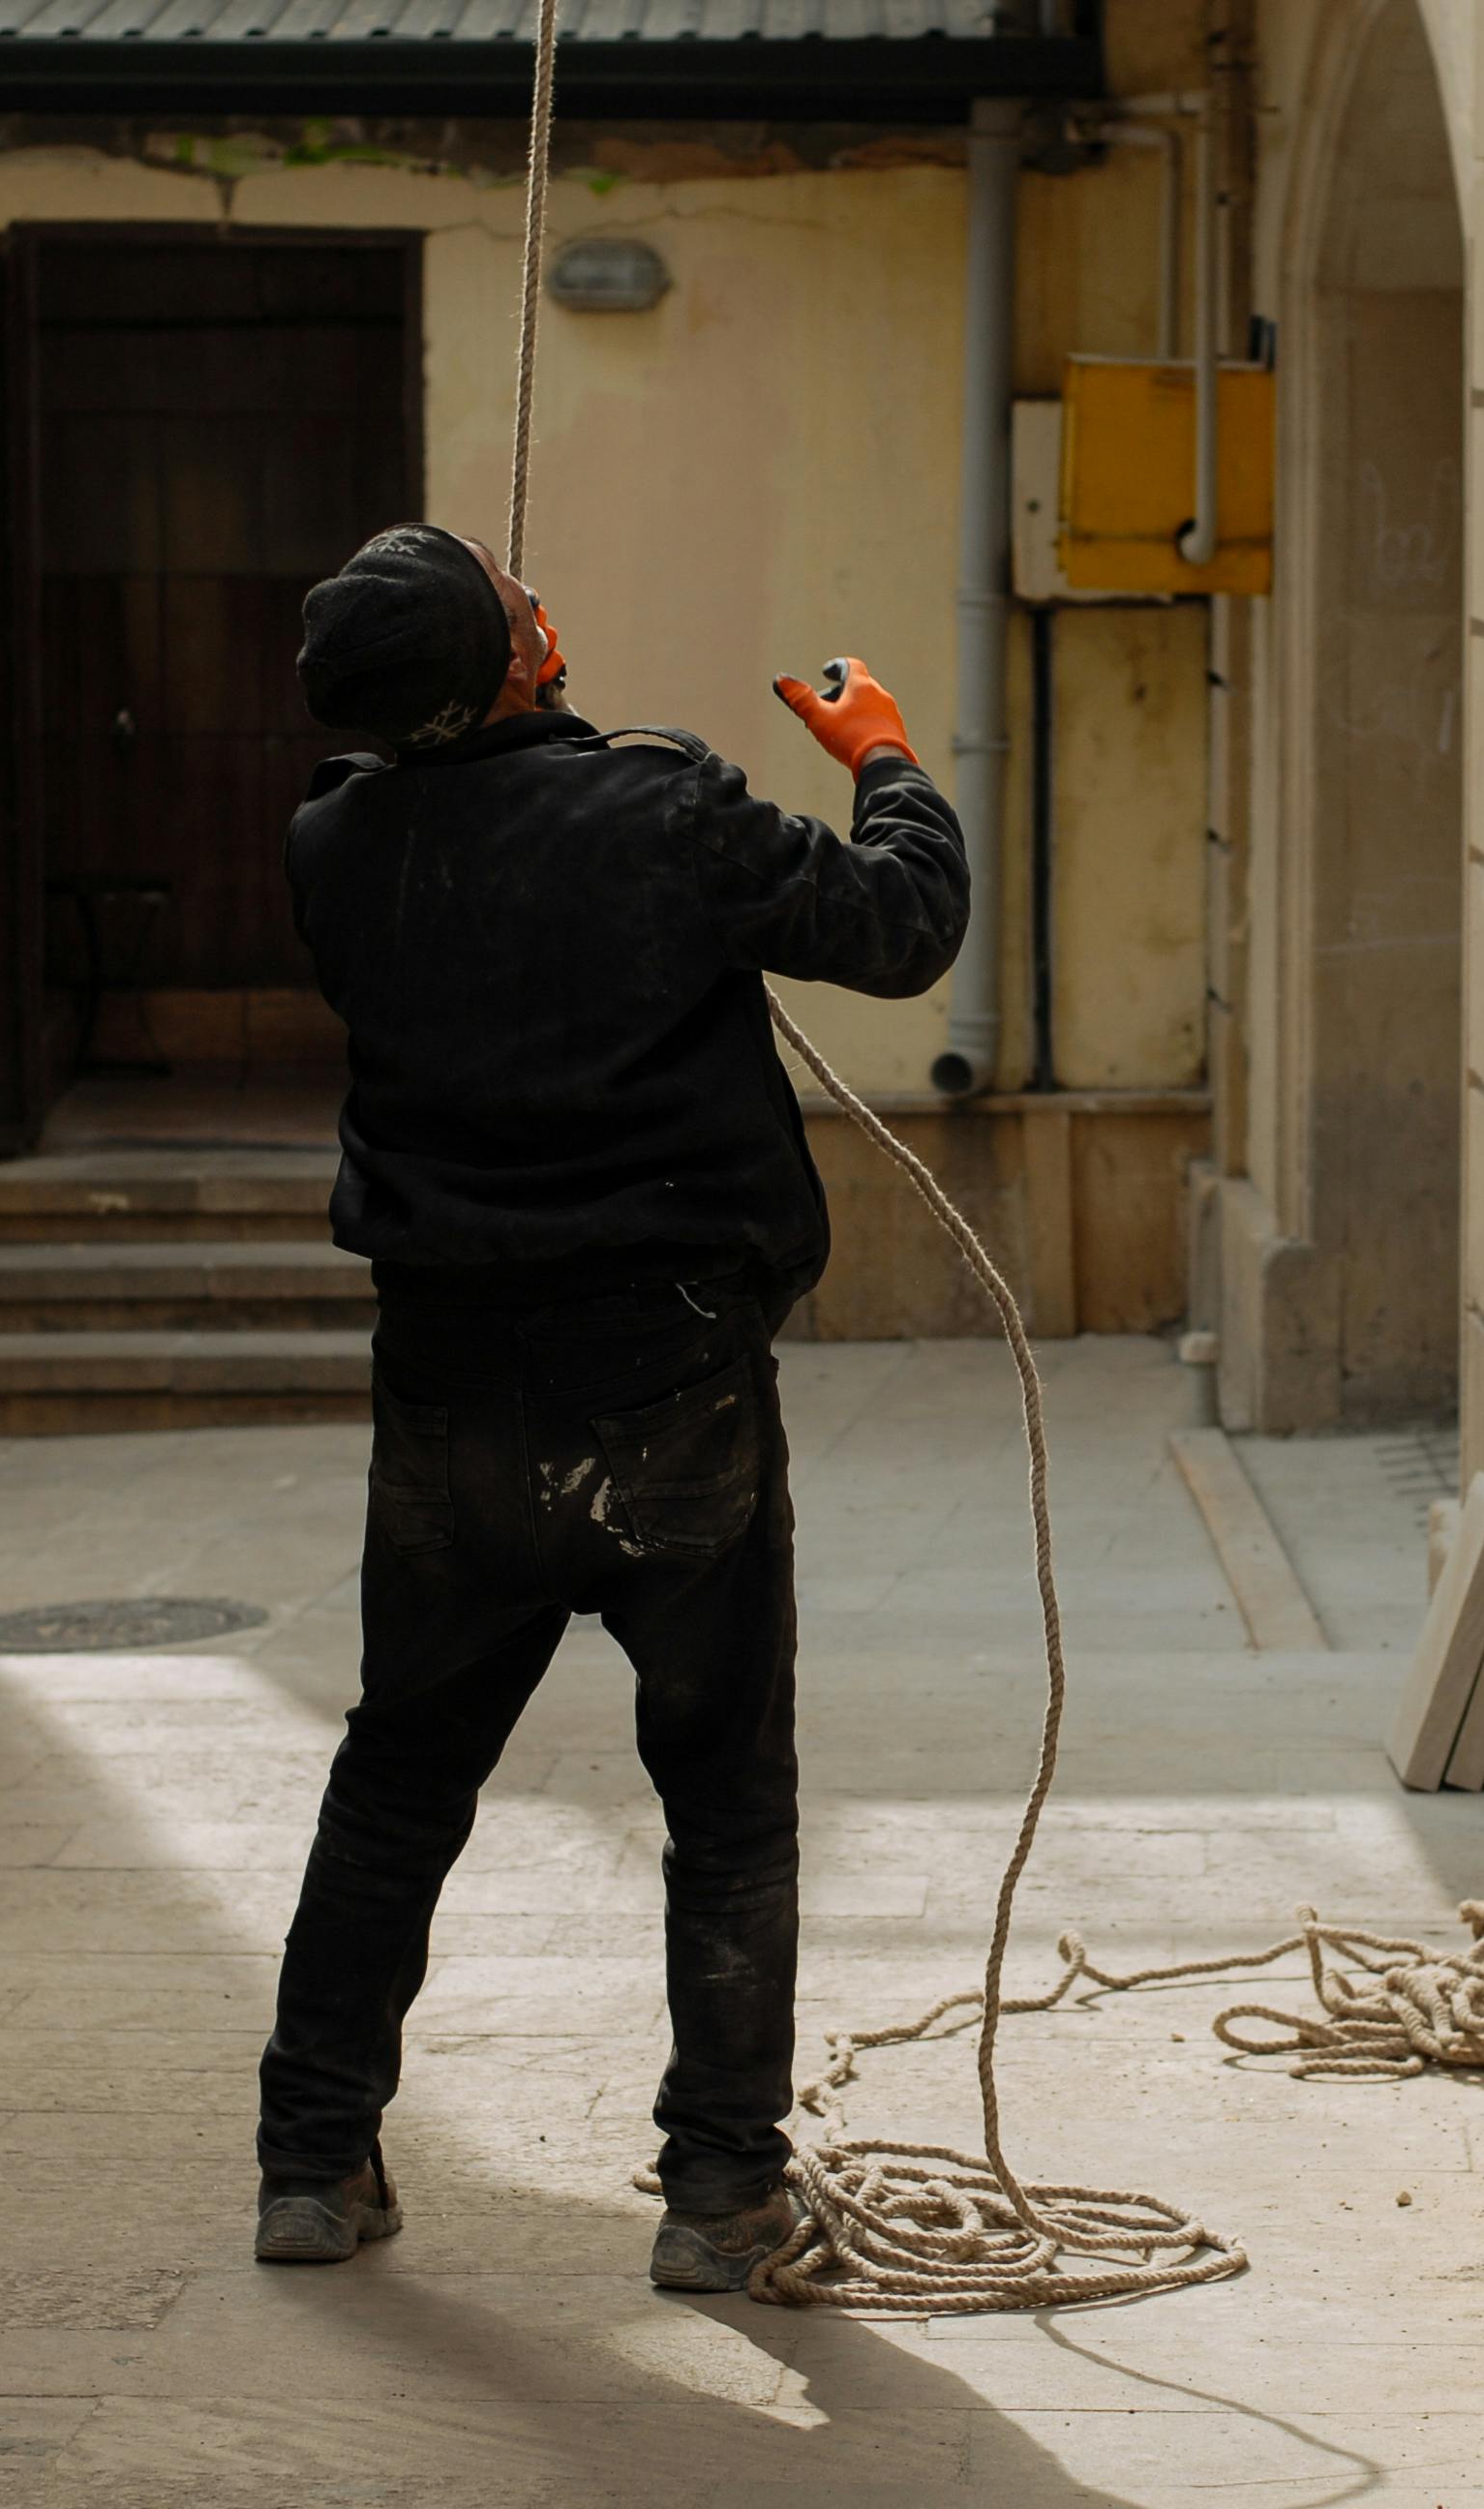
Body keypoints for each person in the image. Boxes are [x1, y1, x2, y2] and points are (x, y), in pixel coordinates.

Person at [253, 523, 968, 2293]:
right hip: (665, 1386)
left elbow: (483, 822)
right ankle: (720, 2193)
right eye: (514, 601)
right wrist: (879, 749)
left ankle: (311, 2161)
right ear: (513, 661)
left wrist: (536, 720)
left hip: (450, 1390)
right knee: (725, 1800)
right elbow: (902, 929)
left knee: (397, 1782)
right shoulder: (658, 811)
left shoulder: (332, 847)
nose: (537, 598)